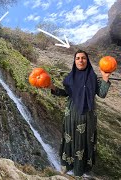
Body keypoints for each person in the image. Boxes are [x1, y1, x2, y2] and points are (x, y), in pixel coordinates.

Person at [48, 50, 111, 178]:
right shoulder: (69, 78)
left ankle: (79, 171)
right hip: (71, 116)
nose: (80, 60)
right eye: (77, 58)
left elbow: (102, 94)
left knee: (84, 143)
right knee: (69, 141)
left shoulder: (93, 78)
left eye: (83, 58)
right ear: (74, 61)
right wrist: (52, 87)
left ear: (87, 61)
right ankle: (66, 167)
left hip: (88, 117)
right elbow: (65, 93)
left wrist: (105, 78)